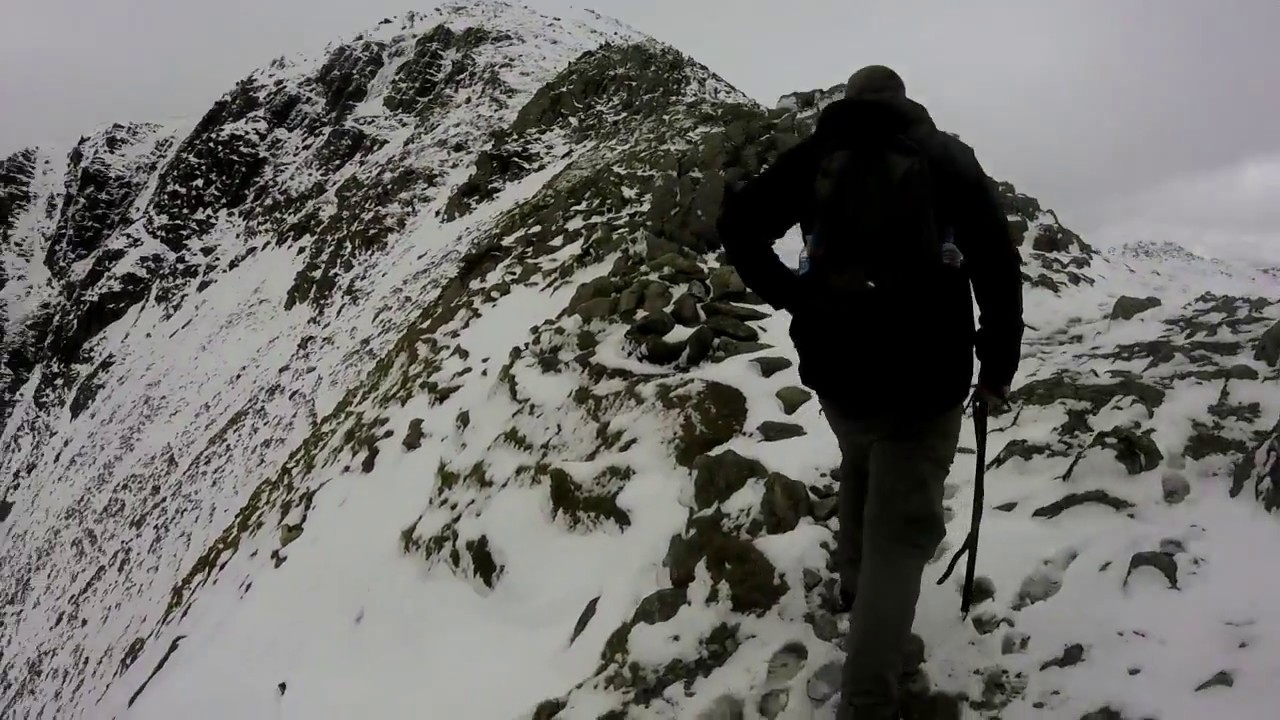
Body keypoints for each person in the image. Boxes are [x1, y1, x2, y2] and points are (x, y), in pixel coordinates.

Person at [715, 65, 1024, 719]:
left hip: (839, 370)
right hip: (929, 376)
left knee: (860, 461)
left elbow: (739, 226)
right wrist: (996, 370)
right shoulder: (946, 160)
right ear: (907, 105)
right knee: (903, 535)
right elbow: (998, 268)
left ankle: (856, 595)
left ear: (849, 105)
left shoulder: (814, 158)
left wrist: (797, 297)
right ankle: (868, 697)